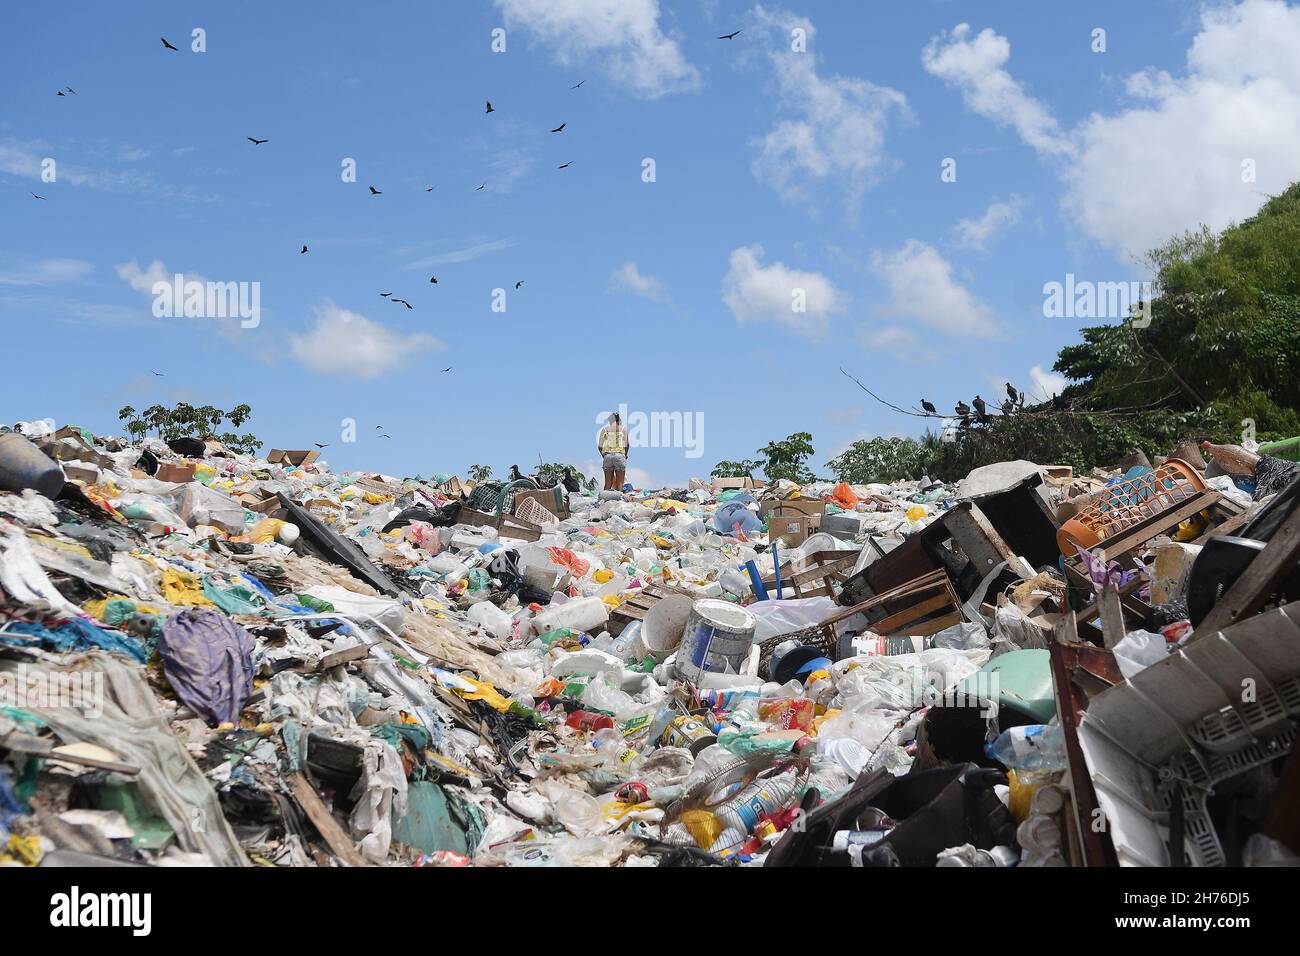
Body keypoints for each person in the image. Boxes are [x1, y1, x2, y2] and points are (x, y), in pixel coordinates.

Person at [597, 412, 629, 492]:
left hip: (607, 456)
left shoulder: (604, 430)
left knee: (608, 483)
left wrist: (604, 455)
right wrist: (625, 455)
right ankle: (619, 502)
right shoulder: (623, 429)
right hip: (619, 456)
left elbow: (600, 446)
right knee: (620, 483)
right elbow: (626, 445)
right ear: (618, 421)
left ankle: (603, 501)